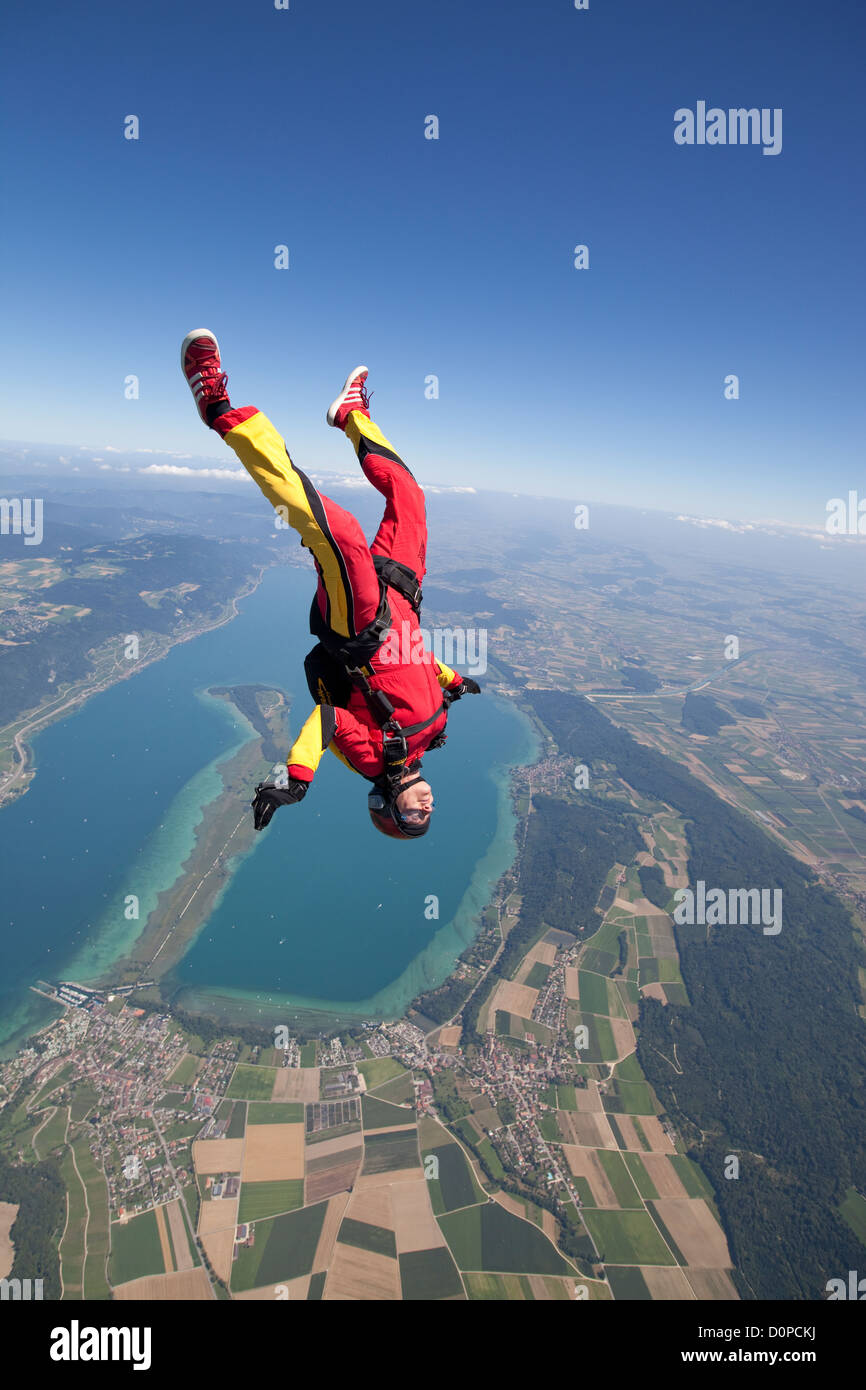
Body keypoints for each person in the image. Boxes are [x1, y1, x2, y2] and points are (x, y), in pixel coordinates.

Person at [180, 330, 480, 839]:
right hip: (402, 604)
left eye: (411, 817)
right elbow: (416, 668)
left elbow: (326, 721)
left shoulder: (371, 758)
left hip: (361, 624)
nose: (425, 809)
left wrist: (295, 781)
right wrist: (453, 680)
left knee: (335, 531)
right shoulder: (427, 740)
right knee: (409, 496)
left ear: (386, 805)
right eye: (428, 816)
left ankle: (218, 409)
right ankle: (350, 415)